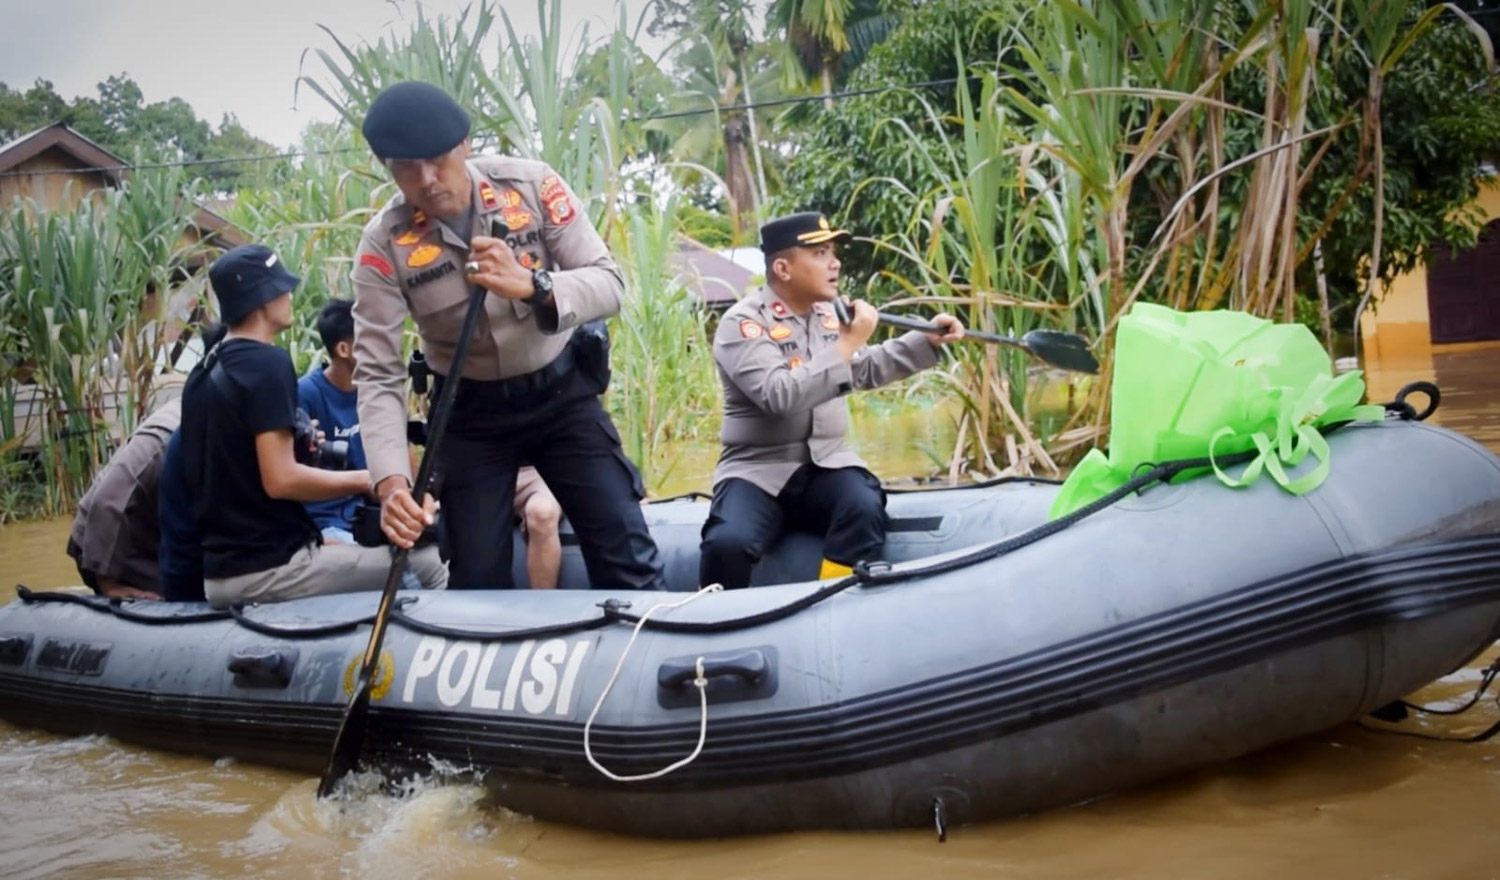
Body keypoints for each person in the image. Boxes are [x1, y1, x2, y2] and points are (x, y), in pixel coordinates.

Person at [350, 80, 664, 590]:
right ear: (388, 168)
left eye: (438, 159)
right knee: (476, 577)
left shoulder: (532, 186)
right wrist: (390, 484)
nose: (427, 179)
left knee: (628, 552)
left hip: (561, 396)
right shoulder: (383, 245)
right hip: (471, 416)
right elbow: (378, 375)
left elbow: (610, 284)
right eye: (406, 167)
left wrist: (533, 286)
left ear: (465, 146)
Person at [699, 212, 965, 589]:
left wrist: (926, 342)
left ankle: (835, 600)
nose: (835, 262)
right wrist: (847, 342)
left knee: (863, 504)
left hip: (825, 464)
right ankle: (715, 620)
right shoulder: (742, 324)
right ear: (783, 268)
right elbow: (780, 395)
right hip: (757, 470)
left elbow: (863, 368)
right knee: (728, 542)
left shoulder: (828, 315)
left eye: (833, 252)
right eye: (821, 253)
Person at [179, 243, 447, 608]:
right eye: (281, 288)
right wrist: (372, 481)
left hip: (218, 572)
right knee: (426, 563)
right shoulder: (267, 363)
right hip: (270, 569)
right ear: (262, 299)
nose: (289, 295)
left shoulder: (204, 369)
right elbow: (281, 480)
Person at [306, 298, 564, 589]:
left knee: (430, 549)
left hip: (371, 514)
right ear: (344, 350)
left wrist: (420, 503)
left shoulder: (384, 396)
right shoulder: (309, 395)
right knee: (421, 567)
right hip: (330, 523)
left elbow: (406, 464)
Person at [65, 396, 182, 600]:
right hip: (103, 539)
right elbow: (106, 502)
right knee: (181, 594)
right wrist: (109, 586)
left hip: (151, 533)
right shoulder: (158, 442)